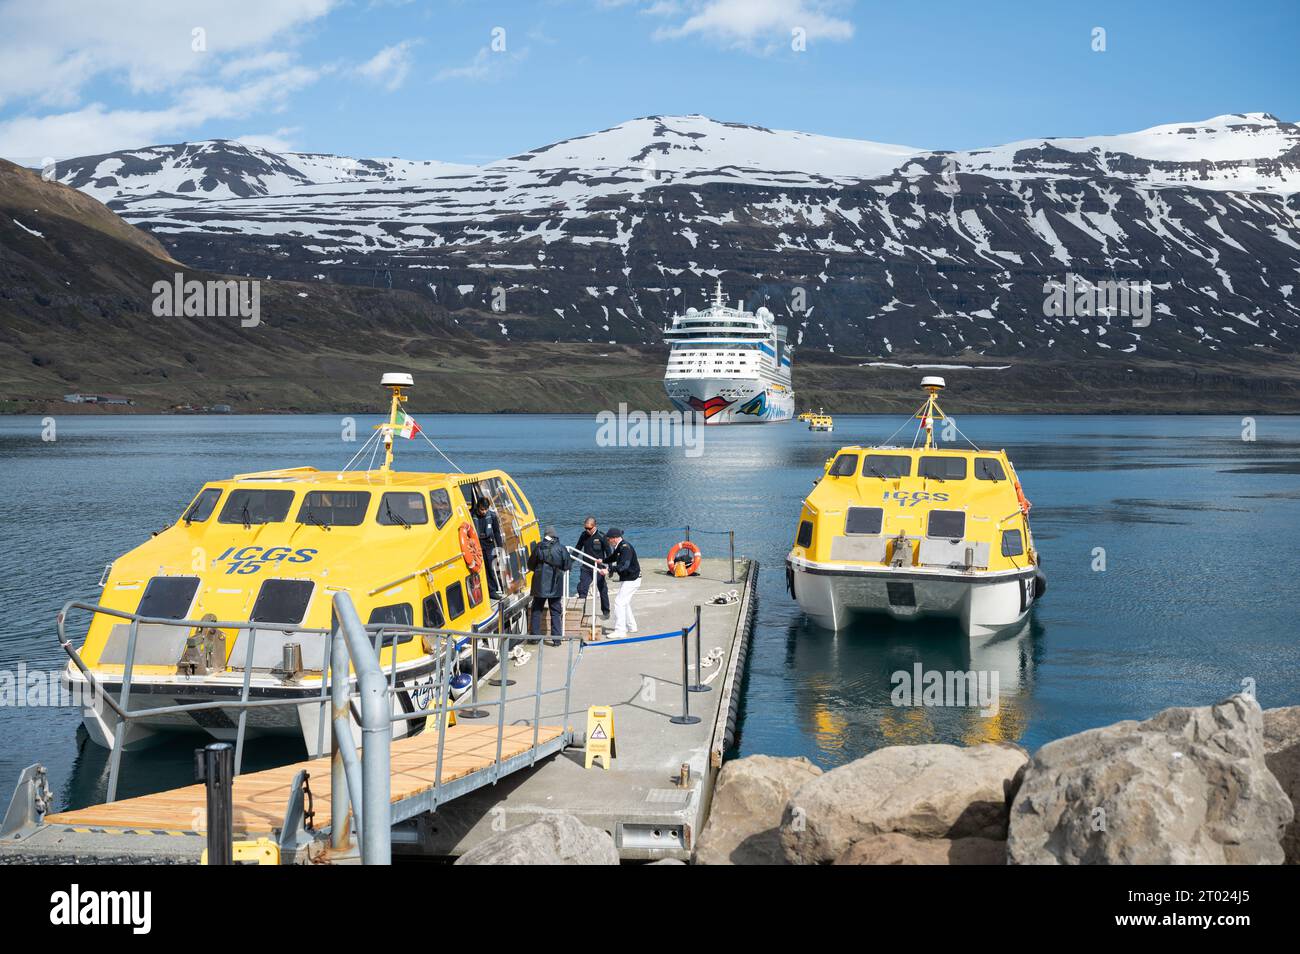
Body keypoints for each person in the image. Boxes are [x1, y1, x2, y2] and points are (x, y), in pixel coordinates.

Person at [528, 526, 572, 645]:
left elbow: (530, 565)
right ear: (555, 535)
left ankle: (535, 637)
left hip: (539, 584)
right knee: (555, 611)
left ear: (545, 535)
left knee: (537, 610)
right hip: (555, 584)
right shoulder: (561, 548)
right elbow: (567, 566)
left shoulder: (538, 547)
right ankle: (556, 639)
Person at [600, 527, 641, 640]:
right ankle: (631, 626)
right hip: (630, 579)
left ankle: (620, 631)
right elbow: (613, 557)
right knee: (625, 603)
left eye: (609, 539)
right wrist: (602, 561)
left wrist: (608, 570)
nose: (608, 541)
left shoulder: (625, 548)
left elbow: (624, 565)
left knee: (619, 603)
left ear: (614, 539)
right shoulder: (620, 546)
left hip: (632, 579)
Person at [574, 517, 611, 620]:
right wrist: (570, 562)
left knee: (602, 589)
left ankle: (606, 610)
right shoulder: (583, 535)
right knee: (582, 589)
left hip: (599, 567)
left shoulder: (602, 536)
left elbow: (609, 552)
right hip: (586, 567)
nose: (587, 530)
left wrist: (610, 567)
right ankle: (581, 613)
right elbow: (577, 549)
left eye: (589, 528)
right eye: (585, 528)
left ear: (595, 526)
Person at [473, 497, 505, 598]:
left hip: (489, 544)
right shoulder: (471, 515)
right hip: (477, 545)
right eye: (482, 509)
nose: (484, 511)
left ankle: (495, 588)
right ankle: (489, 590)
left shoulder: (492, 516)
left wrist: (500, 546)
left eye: (486, 509)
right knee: (483, 569)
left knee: (492, 568)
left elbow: (496, 532)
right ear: (478, 508)